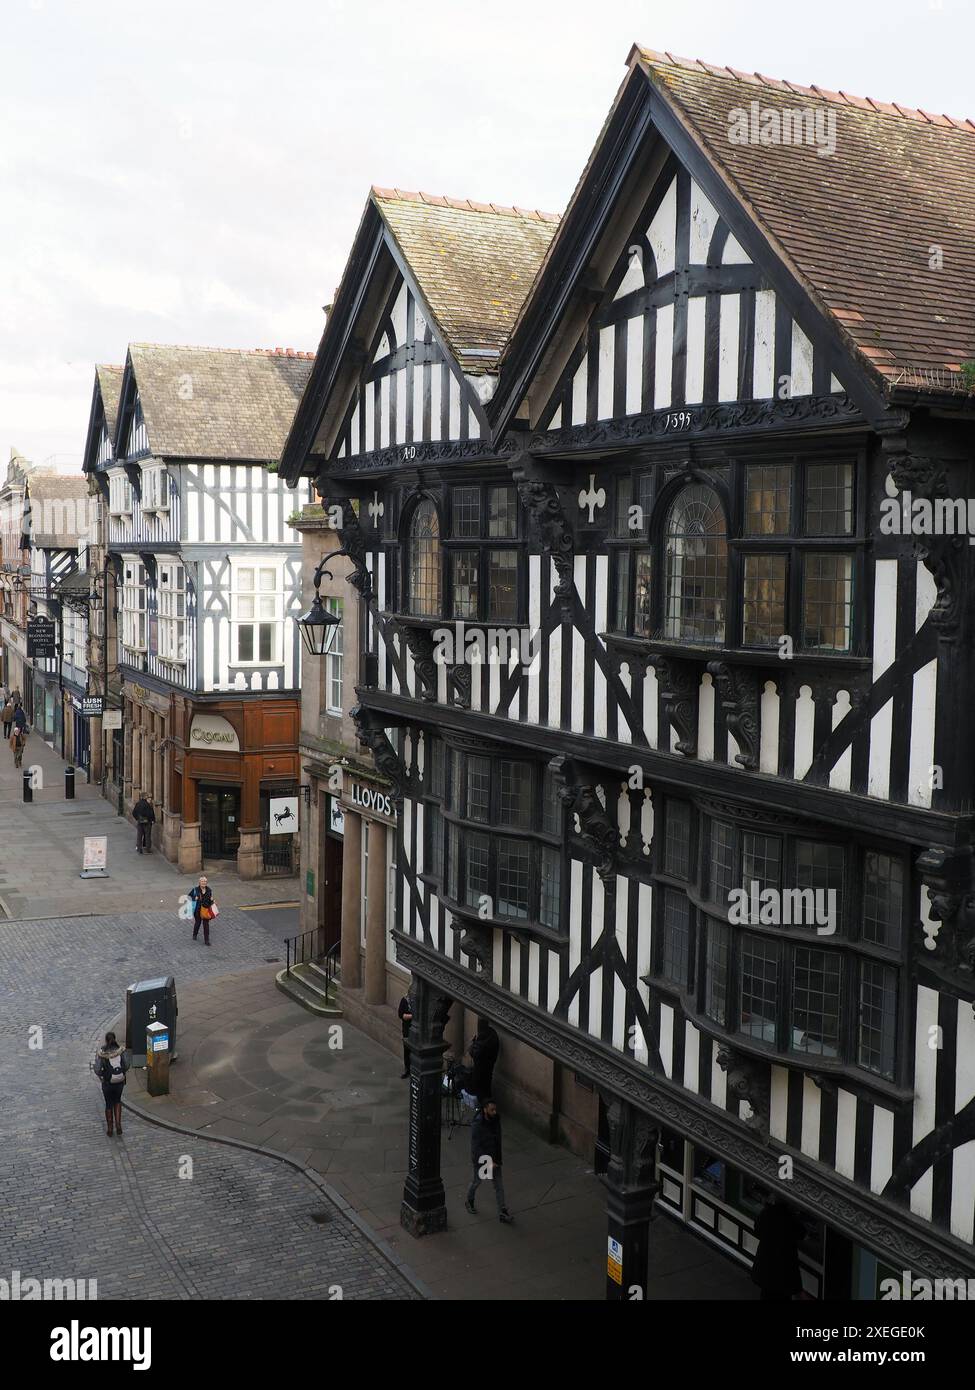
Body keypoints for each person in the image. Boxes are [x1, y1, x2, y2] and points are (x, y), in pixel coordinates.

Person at [465, 1100, 513, 1224]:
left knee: (499, 1186)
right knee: (477, 1181)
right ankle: (469, 1200)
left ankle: (502, 1211)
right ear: (485, 1109)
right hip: (483, 1160)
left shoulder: (496, 1120)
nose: (494, 1112)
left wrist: (497, 1159)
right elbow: (476, 1147)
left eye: (495, 1109)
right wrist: (488, 1161)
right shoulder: (478, 1124)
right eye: (492, 1110)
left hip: (495, 1158)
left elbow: (497, 1140)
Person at [750, 1193, 806, 1301]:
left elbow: (757, 1230)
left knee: (766, 1295)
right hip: (782, 1275)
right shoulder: (791, 1219)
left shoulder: (766, 1213)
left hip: (765, 1269)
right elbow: (802, 1234)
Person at [93, 1031, 128, 1137]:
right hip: (119, 1082)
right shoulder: (120, 1050)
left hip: (107, 1083)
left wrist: (103, 1074)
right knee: (117, 1101)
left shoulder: (102, 1053)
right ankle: (118, 1124)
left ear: (106, 1040)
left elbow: (98, 1070)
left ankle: (110, 1128)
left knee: (109, 1104)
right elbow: (126, 1065)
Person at [469, 1018, 500, 1101]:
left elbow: (474, 1053)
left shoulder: (483, 1036)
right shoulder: (492, 1033)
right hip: (489, 1065)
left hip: (481, 1068)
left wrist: (473, 1043)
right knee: (487, 1087)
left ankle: (484, 1109)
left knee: (481, 1091)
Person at [189, 875, 215, 945]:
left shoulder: (209, 890)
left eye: (205, 881)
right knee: (198, 923)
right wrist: (195, 898)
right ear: (199, 882)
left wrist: (212, 901)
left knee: (206, 925)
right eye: (202, 881)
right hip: (197, 910)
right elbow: (190, 895)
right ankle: (195, 934)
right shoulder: (195, 889)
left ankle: (206, 940)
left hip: (206, 910)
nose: (204, 883)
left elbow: (211, 899)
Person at [398, 992, 414, 1078]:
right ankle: (407, 1069)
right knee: (407, 1050)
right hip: (407, 1029)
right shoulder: (405, 1000)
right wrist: (412, 1016)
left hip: (418, 1030)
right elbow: (401, 1014)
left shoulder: (418, 1001)